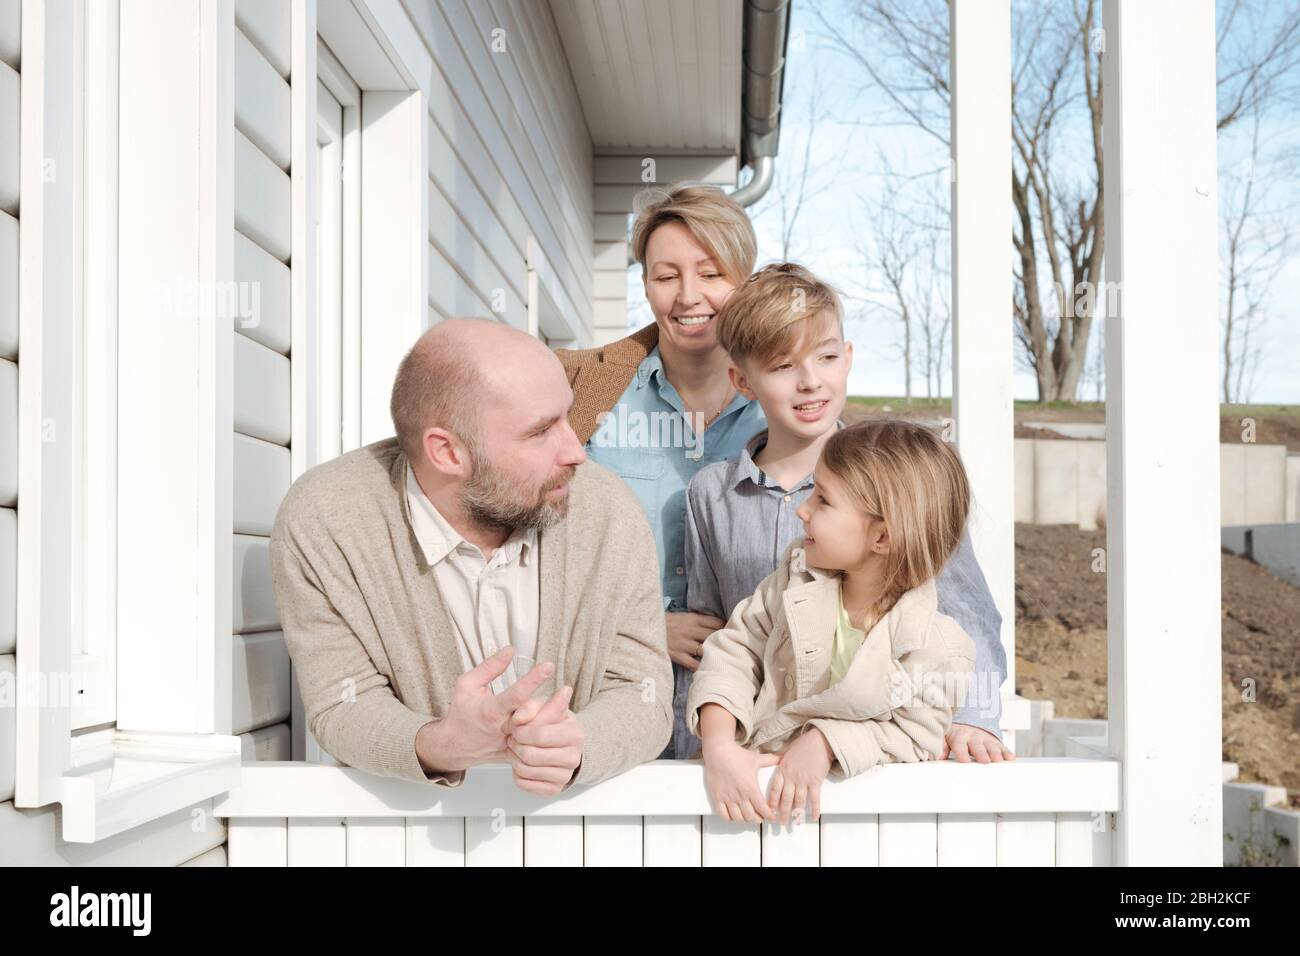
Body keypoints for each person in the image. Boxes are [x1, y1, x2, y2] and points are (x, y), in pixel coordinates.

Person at [269, 318, 673, 794]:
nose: (576, 451)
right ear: (447, 453)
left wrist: (579, 743)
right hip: (405, 835)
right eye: (541, 431)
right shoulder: (326, 519)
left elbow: (642, 693)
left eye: (569, 415)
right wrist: (440, 743)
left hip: (573, 832)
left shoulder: (606, 510)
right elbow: (341, 701)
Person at [681, 263, 1010, 759]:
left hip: (873, 751)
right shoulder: (711, 494)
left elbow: (970, 615)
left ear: (848, 357)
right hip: (761, 755)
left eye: (827, 356)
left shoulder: (901, 480)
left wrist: (975, 718)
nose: (811, 382)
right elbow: (713, 637)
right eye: (782, 366)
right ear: (743, 382)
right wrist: (708, 748)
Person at [688, 421, 979, 825]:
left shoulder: (940, 648)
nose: (802, 508)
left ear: (881, 537)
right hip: (745, 797)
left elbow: (914, 737)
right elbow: (734, 651)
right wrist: (719, 746)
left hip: (849, 827)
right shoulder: (793, 580)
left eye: (822, 500)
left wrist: (825, 742)